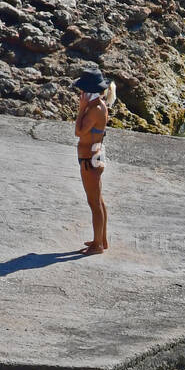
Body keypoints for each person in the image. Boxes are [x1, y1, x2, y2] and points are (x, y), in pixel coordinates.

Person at [73, 68, 115, 255]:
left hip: (89, 159)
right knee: (98, 200)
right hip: (94, 155)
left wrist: (81, 109)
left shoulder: (94, 110)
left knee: (94, 203)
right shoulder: (100, 105)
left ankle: (97, 245)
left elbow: (79, 132)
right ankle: (101, 240)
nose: (81, 95)